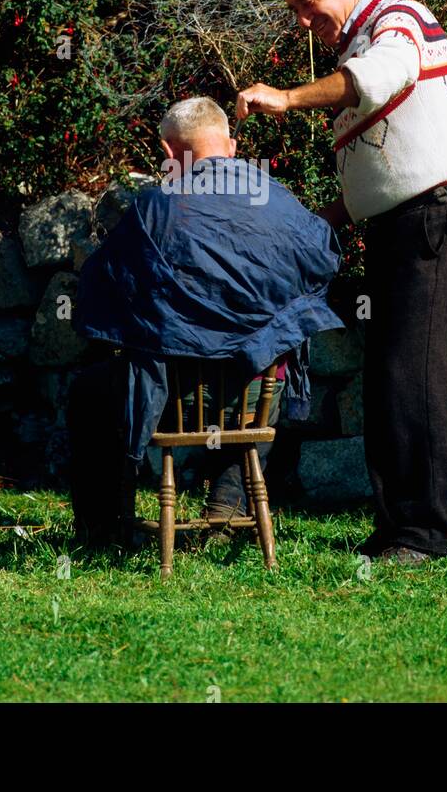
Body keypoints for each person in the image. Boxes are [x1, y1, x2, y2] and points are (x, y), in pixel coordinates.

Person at [236, 0, 447, 563]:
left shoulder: (396, 18)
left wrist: (287, 97)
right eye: (295, 9)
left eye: (309, 2)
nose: (303, 19)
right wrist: (320, 220)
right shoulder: (358, 42)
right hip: (401, 224)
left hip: (435, 221)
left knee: (415, 378)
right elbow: (387, 168)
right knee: (387, 380)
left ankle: (427, 536)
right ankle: (398, 525)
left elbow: (382, 80)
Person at [68, 96, 344, 545]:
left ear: (168, 151)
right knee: (271, 361)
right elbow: (322, 262)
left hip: (175, 394)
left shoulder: (154, 208)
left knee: (89, 392)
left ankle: (105, 530)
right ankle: (228, 507)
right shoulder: (279, 202)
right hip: (255, 390)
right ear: (231, 147)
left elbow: (98, 291)